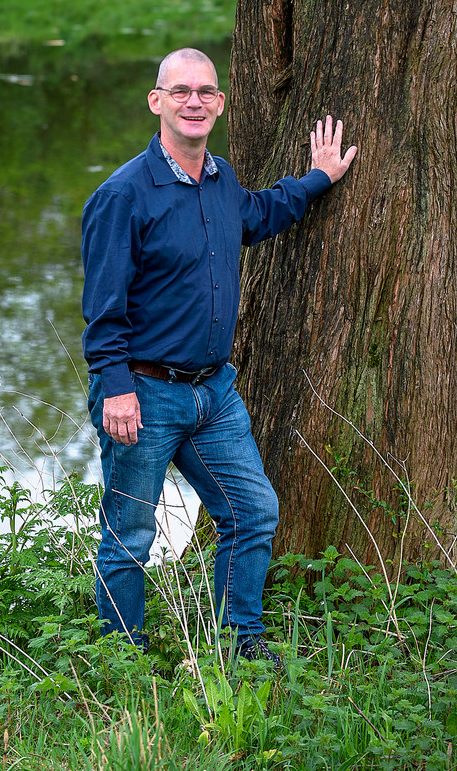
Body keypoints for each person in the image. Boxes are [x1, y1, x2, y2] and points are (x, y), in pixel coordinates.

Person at [81, 47, 357, 664]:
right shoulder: (123, 195)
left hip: (214, 394)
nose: (194, 102)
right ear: (157, 102)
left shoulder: (221, 180)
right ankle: (121, 660)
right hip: (143, 394)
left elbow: (258, 214)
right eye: (181, 91)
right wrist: (115, 385)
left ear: (220, 104)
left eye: (206, 92)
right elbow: (102, 307)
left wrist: (318, 178)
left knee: (253, 510)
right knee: (130, 533)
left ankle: (241, 643)